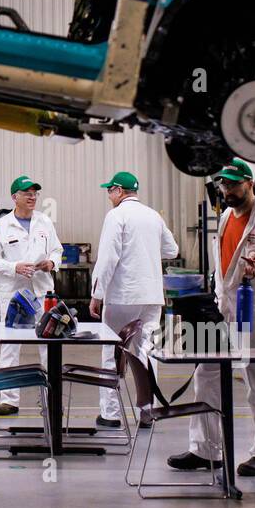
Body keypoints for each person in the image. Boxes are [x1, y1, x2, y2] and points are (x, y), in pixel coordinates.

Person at [168, 158, 255, 477]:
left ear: (249, 184)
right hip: (222, 309)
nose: (228, 190)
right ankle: (207, 449)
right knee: (206, 374)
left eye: (234, 185)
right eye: (224, 185)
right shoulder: (225, 216)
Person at [88, 171, 179, 428]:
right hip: (151, 296)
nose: (108, 196)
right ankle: (147, 411)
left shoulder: (117, 215)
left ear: (119, 190)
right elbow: (172, 249)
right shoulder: (153, 216)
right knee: (144, 350)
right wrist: (146, 249)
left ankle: (110, 414)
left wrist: (97, 294)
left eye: (109, 191)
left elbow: (107, 258)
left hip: (122, 296)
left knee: (112, 351)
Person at [0, 174, 63, 416]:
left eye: (35, 193)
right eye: (27, 193)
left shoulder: (44, 222)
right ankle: (9, 400)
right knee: (10, 346)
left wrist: (52, 262)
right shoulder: (3, 225)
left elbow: (57, 250)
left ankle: (50, 397)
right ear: (14, 197)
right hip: (14, 296)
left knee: (48, 346)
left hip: (42, 293)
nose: (32, 197)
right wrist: (13, 267)